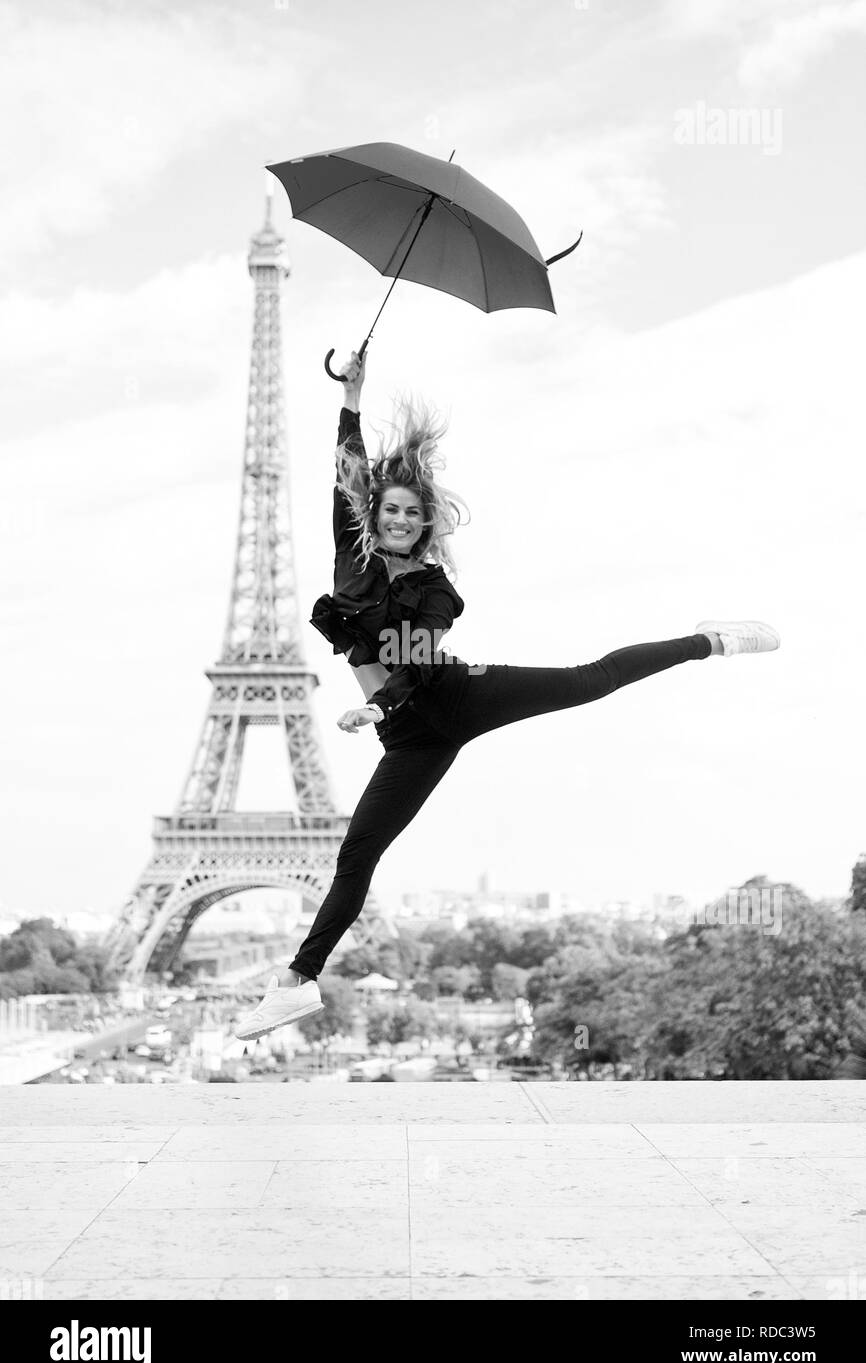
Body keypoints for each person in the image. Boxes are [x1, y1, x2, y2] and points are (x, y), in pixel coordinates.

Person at [234, 353, 780, 1041]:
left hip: (451, 697)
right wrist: (352, 397)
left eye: (411, 511)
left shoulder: (431, 588)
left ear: (426, 522)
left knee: (589, 680)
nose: (399, 517)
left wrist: (378, 703)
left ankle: (709, 642)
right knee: (357, 856)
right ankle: (297, 983)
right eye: (390, 508)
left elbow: (422, 657)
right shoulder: (352, 559)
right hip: (408, 741)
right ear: (375, 511)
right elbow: (345, 474)